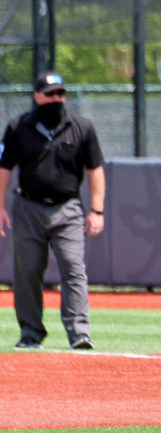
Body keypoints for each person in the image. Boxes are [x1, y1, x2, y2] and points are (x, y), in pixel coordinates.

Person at [0, 71, 106, 350]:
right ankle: (31, 333)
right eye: (50, 94)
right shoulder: (18, 127)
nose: (55, 99)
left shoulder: (81, 126)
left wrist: (97, 210)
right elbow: (4, 170)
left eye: (60, 94)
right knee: (27, 272)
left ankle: (79, 333)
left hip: (67, 209)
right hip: (28, 207)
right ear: (37, 96)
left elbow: (95, 170)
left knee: (73, 268)